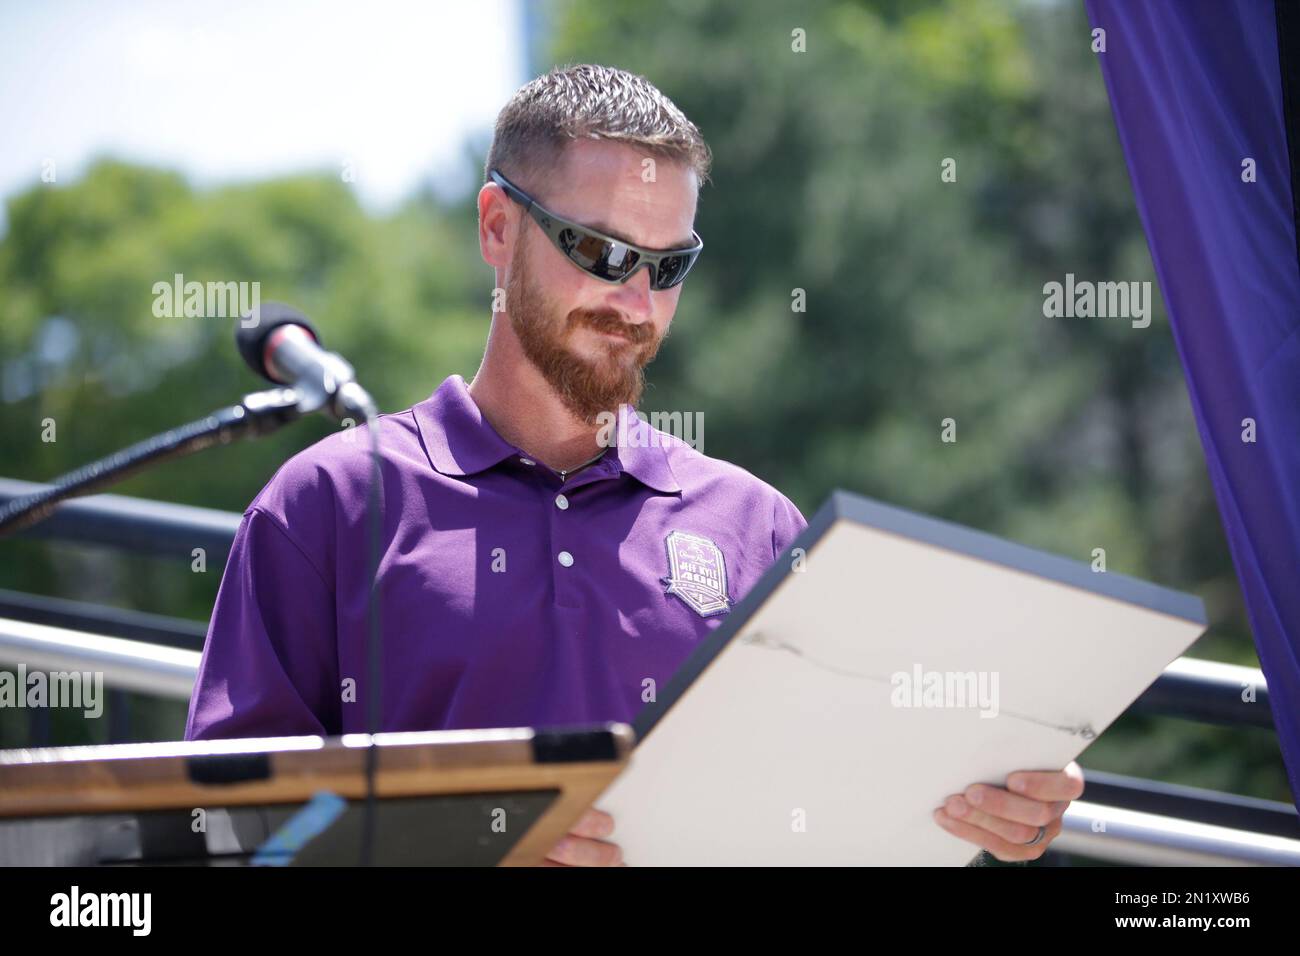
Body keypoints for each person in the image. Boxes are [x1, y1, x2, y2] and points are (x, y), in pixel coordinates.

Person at [186, 63, 1083, 866]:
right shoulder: (325, 506)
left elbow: (825, 813)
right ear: (498, 227)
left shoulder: (757, 523)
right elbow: (223, 834)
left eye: (669, 263)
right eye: (604, 252)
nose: (637, 302)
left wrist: (984, 808)